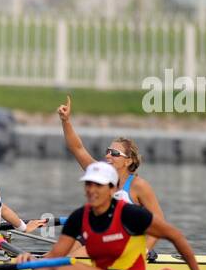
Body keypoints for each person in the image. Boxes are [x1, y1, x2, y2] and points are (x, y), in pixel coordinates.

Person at [20, 162, 206, 270]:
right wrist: (32, 261)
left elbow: (176, 236)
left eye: (98, 185)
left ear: (112, 189)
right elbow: (57, 254)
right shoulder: (80, 216)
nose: (91, 190)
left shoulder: (132, 215)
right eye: (88, 184)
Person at [58, 95, 166, 254]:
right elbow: (77, 149)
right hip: (99, 236)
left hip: (124, 244)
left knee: (68, 257)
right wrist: (65, 121)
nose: (108, 155)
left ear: (128, 161)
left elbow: (159, 222)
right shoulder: (99, 172)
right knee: (57, 253)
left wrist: (145, 250)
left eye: (114, 153)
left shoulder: (138, 186)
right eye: (107, 151)